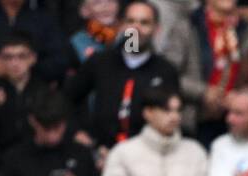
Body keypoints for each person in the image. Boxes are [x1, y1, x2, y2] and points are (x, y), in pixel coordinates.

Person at [65, 0, 181, 150]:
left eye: (144, 23)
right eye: (131, 21)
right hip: (101, 152)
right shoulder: (100, 62)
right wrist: (78, 132)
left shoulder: (165, 70)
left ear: (156, 29)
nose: (136, 28)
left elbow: (171, 117)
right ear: (121, 25)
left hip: (147, 155)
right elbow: (67, 99)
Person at [185, 0, 248, 144]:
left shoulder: (246, 28)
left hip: (233, 116)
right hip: (195, 118)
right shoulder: (189, 26)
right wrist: (203, 91)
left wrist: (238, 94)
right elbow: (170, 74)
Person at [0, 31, 43, 152]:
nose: (14, 63)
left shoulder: (44, 90)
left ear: (33, 58)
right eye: (8, 57)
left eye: (22, 56)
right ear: (0, 59)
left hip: (36, 157)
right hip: (1, 157)